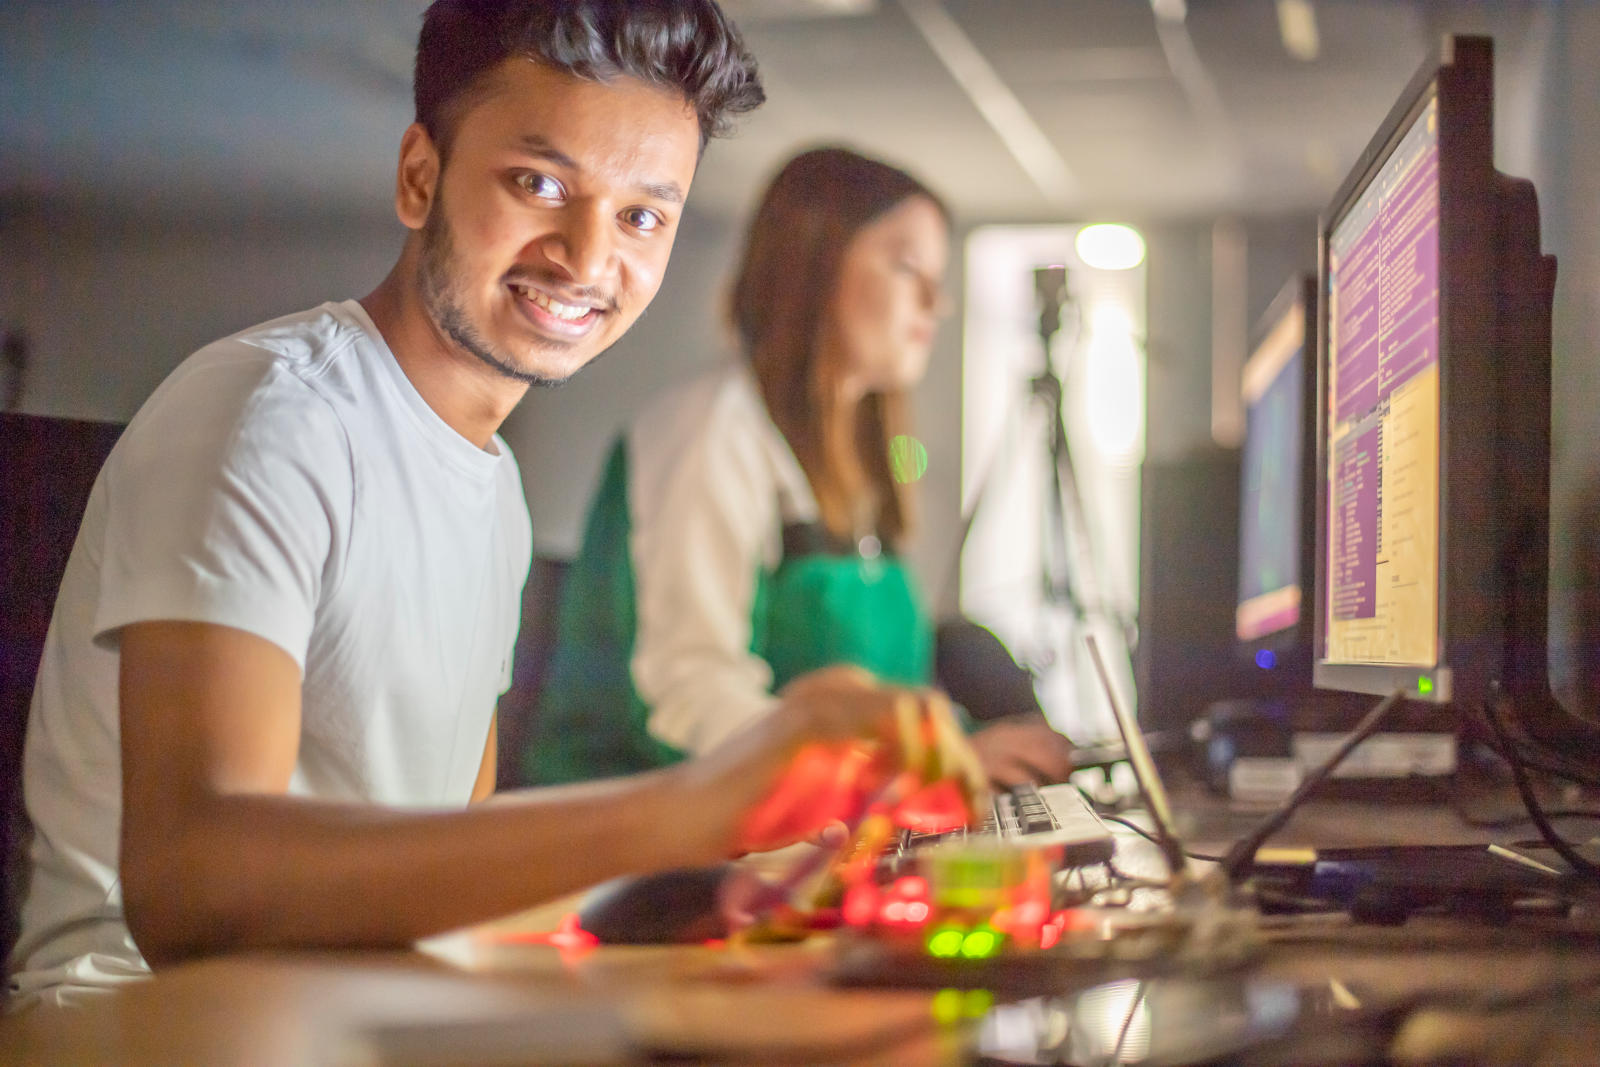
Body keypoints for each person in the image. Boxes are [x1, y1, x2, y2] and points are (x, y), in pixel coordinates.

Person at [5, 1, 977, 1010]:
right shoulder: (272, 415)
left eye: (643, 213)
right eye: (539, 183)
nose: (588, 254)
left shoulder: (493, 490)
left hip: (356, 1004)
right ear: (419, 176)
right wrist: (684, 808)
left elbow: (441, 881)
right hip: (140, 1021)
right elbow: (194, 888)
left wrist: (727, 889)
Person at [522, 146, 1076, 790]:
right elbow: (685, 704)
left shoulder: (855, 463)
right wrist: (907, 765)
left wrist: (965, 743)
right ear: (814, 264)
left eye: (939, 277)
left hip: (812, 830)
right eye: (907, 267)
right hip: (648, 853)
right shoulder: (709, 429)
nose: (936, 302)